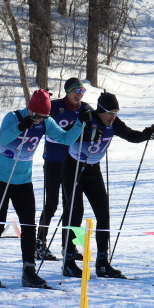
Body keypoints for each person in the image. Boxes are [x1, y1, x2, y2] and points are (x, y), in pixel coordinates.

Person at [0, 89, 88, 289]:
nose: (38, 121)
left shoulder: (46, 122)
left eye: (43, 117)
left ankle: (29, 270)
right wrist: (20, 127)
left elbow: (66, 139)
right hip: (0, 178)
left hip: (23, 180)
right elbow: (3, 139)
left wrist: (80, 122)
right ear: (29, 109)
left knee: (29, 225)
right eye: (36, 116)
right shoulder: (12, 117)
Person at [60, 91, 154, 279]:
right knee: (75, 213)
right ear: (101, 111)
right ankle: (69, 261)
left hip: (93, 171)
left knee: (103, 215)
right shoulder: (88, 118)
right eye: (110, 113)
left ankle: (102, 263)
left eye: (116, 113)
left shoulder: (115, 123)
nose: (113, 118)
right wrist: (87, 133)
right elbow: (68, 136)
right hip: (73, 168)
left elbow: (131, 136)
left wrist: (146, 134)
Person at [38, 77, 91, 261]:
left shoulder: (85, 109)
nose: (79, 95)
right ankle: (40, 244)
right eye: (76, 91)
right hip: (53, 161)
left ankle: (69, 246)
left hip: (73, 164)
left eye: (82, 91)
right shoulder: (55, 106)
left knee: (73, 205)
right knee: (52, 203)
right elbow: (38, 114)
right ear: (68, 91)